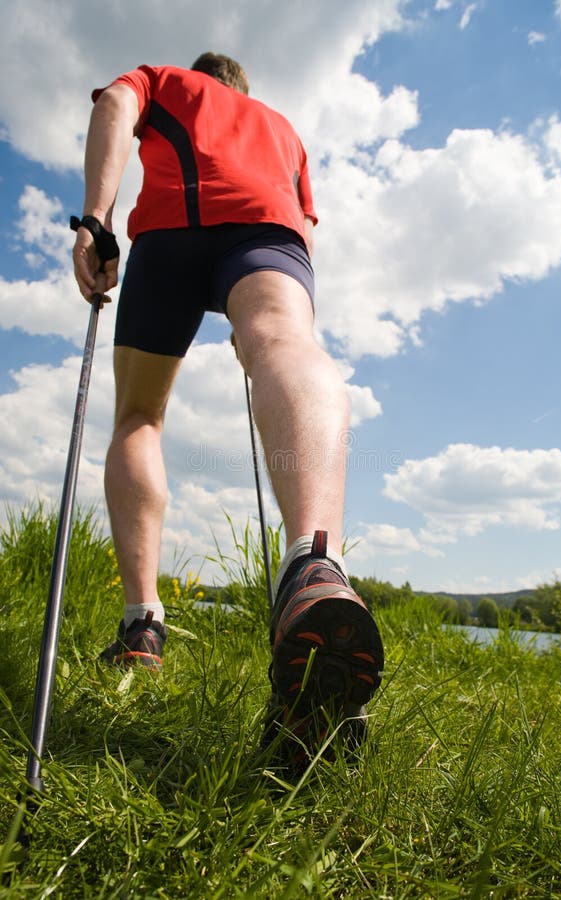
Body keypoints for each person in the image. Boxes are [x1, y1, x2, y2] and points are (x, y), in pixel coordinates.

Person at [72, 52, 383, 764]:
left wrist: (96, 217)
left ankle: (142, 625)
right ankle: (313, 568)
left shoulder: (163, 80)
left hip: (171, 232)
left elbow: (115, 106)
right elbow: (306, 219)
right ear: (244, 86)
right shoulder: (282, 127)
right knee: (282, 341)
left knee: (139, 419)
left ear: (202, 76)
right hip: (267, 226)